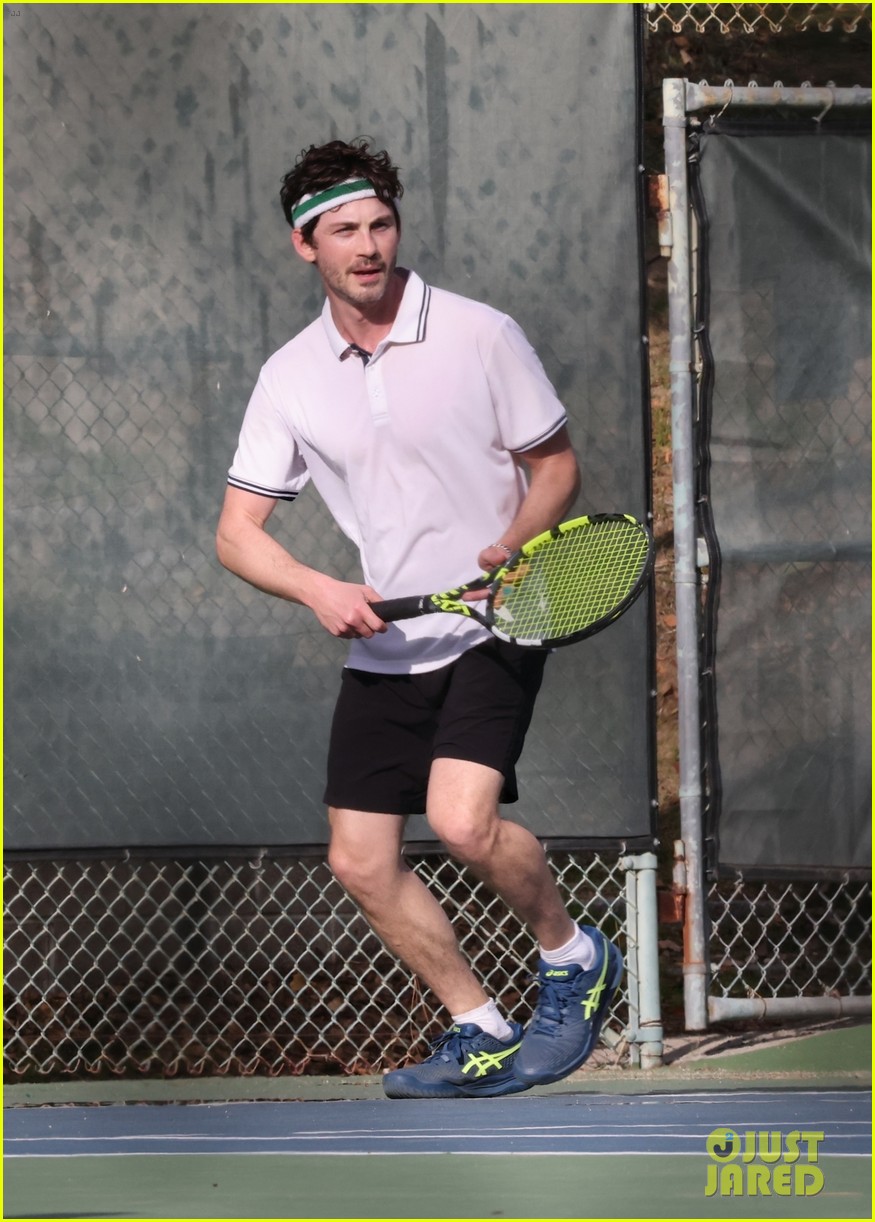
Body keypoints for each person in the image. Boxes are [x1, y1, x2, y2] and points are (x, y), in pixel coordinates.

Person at [216, 138, 623, 1098]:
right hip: (388, 646)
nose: (368, 246)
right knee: (358, 860)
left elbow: (554, 467)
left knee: (461, 822)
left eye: (381, 225)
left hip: (493, 623)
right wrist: (319, 587)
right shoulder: (289, 376)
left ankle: (570, 955)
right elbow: (238, 533)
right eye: (344, 230)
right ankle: (479, 1028)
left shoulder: (481, 333)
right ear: (303, 246)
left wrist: (512, 545)